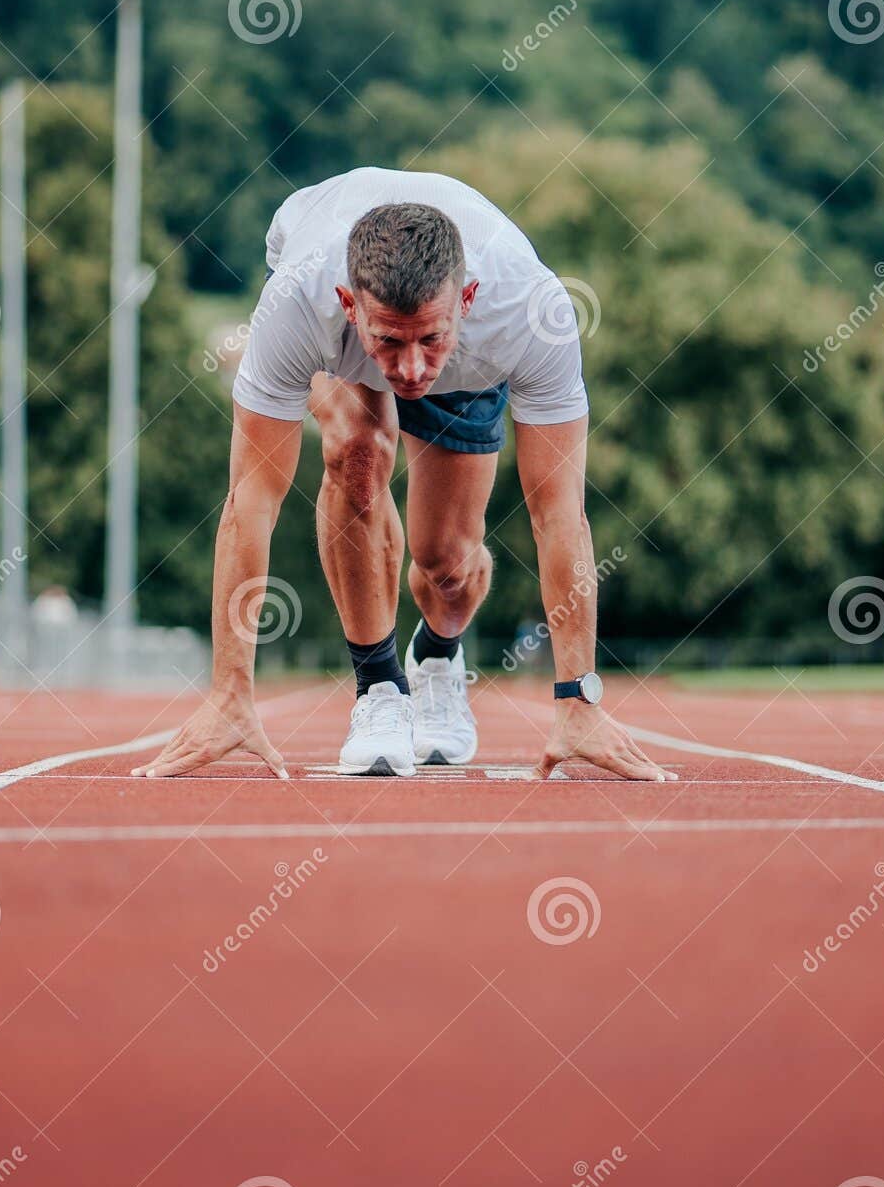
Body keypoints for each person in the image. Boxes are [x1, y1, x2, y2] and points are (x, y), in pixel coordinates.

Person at [135, 168, 672, 783]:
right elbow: (250, 498)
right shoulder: (299, 303)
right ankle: (380, 690)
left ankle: (437, 655)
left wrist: (579, 701)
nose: (413, 369)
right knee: (356, 451)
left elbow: (558, 513)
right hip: (339, 341)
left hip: (474, 368)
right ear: (348, 304)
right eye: (390, 341)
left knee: (446, 563)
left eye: (430, 339)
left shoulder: (528, 312)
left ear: (466, 302)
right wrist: (229, 694)